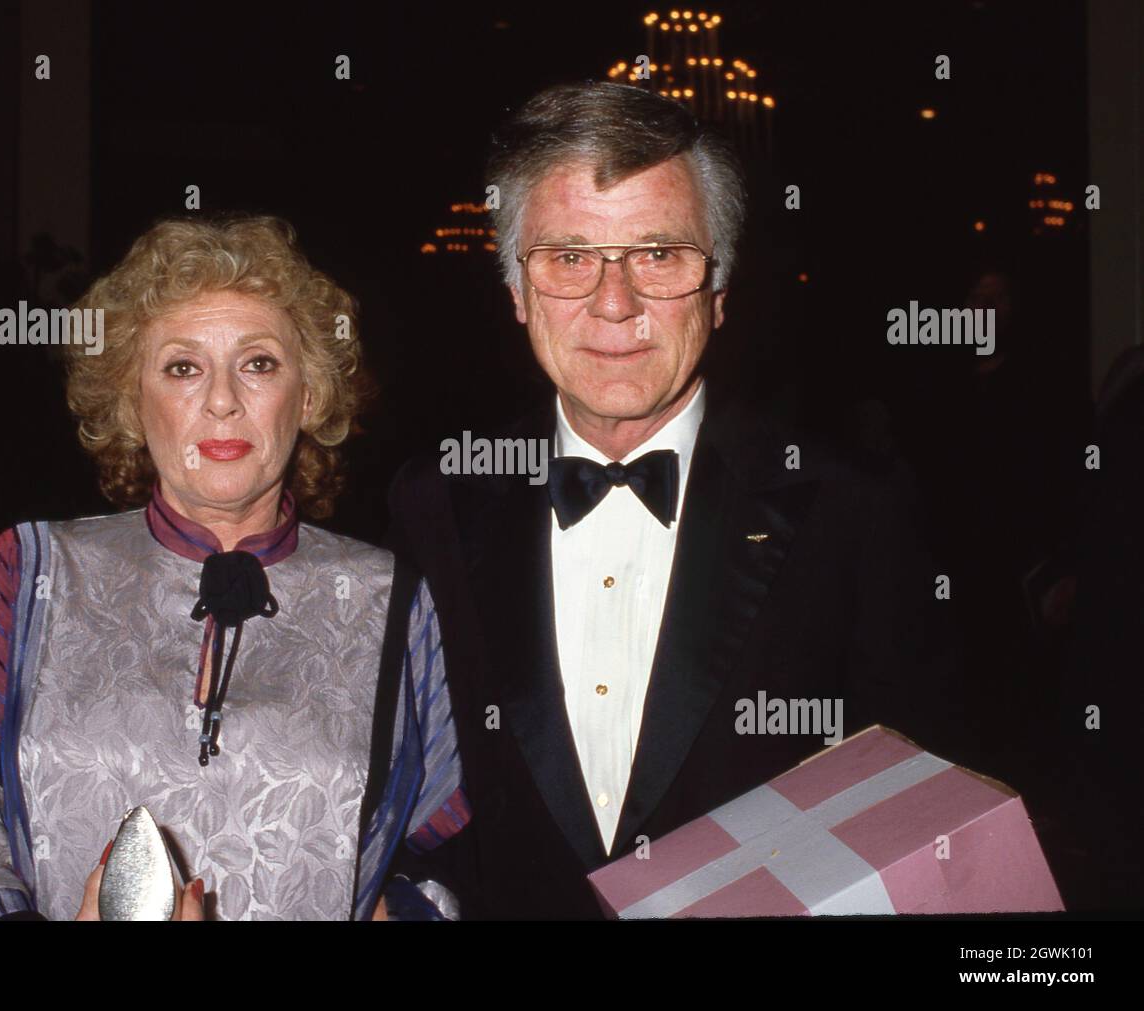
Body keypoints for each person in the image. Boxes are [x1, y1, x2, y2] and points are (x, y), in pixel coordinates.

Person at [385, 82, 954, 918]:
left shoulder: (852, 509)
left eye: (659, 254)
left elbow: (923, 810)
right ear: (516, 291)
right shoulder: (432, 502)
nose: (614, 304)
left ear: (719, 291)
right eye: (570, 257)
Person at [0, 215, 466, 921]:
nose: (223, 399)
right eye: (182, 366)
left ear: (312, 393)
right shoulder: (25, 572)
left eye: (259, 362)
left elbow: (451, 850)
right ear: (131, 401)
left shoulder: (398, 603)